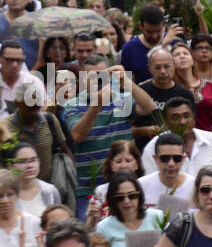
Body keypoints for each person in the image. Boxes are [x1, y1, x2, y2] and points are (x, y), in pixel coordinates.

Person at [64, 57, 156, 216]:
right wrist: (97, 105)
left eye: (101, 76)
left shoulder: (121, 99)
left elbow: (148, 107)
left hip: (126, 186)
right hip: (89, 188)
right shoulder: (73, 104)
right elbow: (78, 135)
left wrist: (127, 82)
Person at [140, 97, 212, 176]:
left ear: (194, 118)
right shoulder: (153, 148)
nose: (182, 122)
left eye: (186, 116)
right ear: (166, 123)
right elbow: (150, 182)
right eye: (175, 118)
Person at [11, 143, 60, 218]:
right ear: (12, 166)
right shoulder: (4, 193)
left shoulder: (50, 191)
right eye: (22, 161)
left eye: (33, 160)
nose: (30, 165)